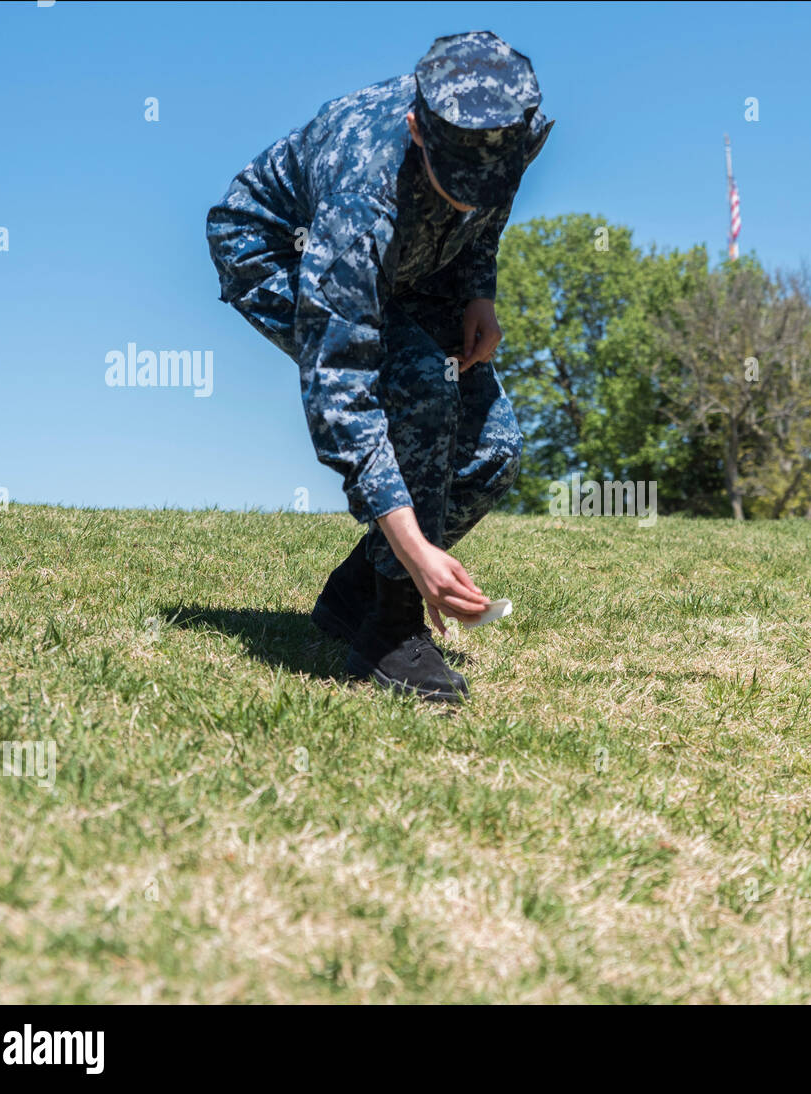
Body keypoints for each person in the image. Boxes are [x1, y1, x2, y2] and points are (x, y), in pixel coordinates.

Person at [206, 31, 553, 702]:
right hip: (277, 252)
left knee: (497, 451)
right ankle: (389, 633)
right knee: (420, 377)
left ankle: (354, 595)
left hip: (418, 266)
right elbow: (343, 389)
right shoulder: (359, 193)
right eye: (454, 184)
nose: (466, 199)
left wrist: (479, 293)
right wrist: (416, 552)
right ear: (418, 128)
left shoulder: (505, 130)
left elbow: (485, 212)